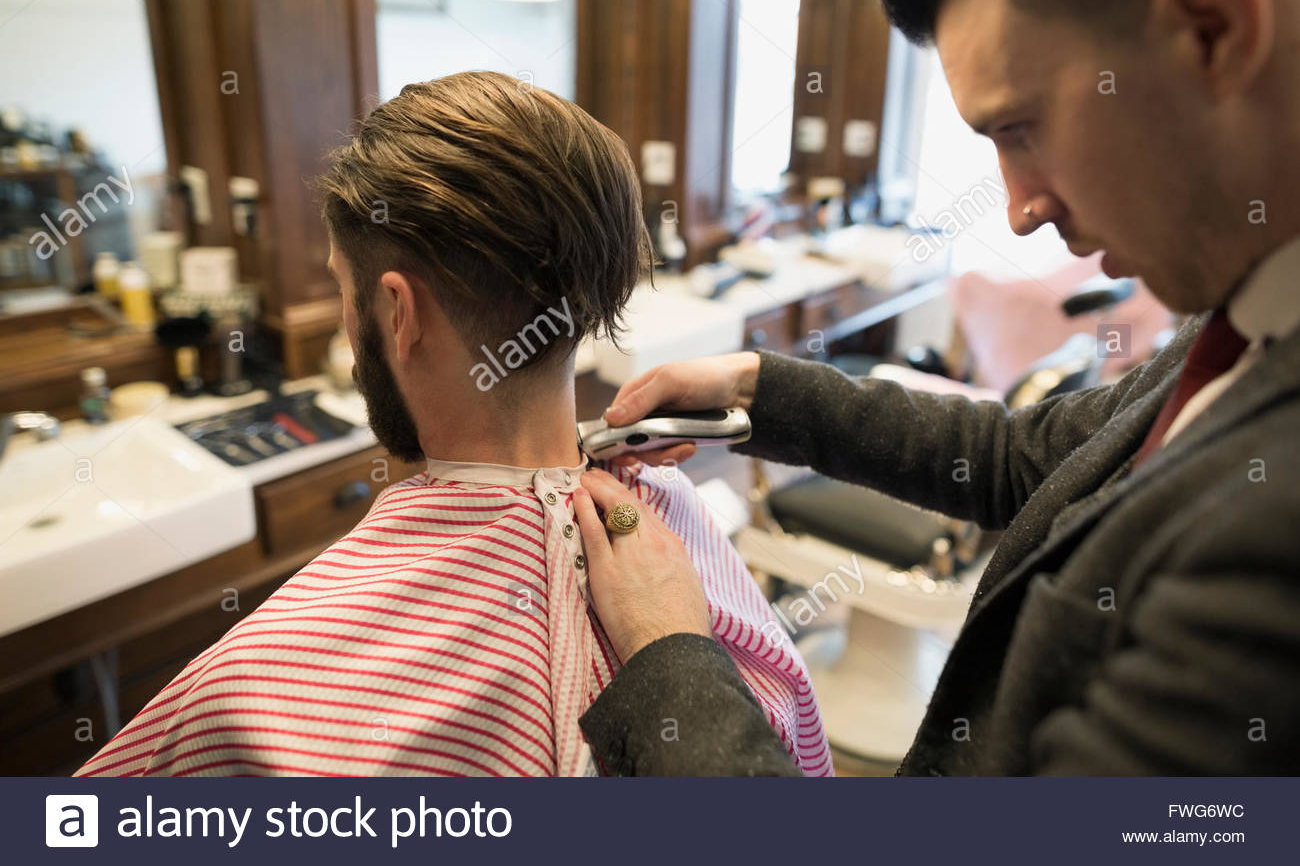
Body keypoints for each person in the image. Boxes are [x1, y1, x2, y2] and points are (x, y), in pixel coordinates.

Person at [574, 0, 1300, 776]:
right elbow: (1028, 459)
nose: (1020, 210)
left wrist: (668, 655)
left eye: (1021, 127)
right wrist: (758, 390)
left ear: (1212, 25)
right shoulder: (1247, 322)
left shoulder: (1272, 527)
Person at [75, 72, 831, 777]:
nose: (347, 321)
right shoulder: (674, 524)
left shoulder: (251, 684)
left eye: (346, 288)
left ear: (399, 313)